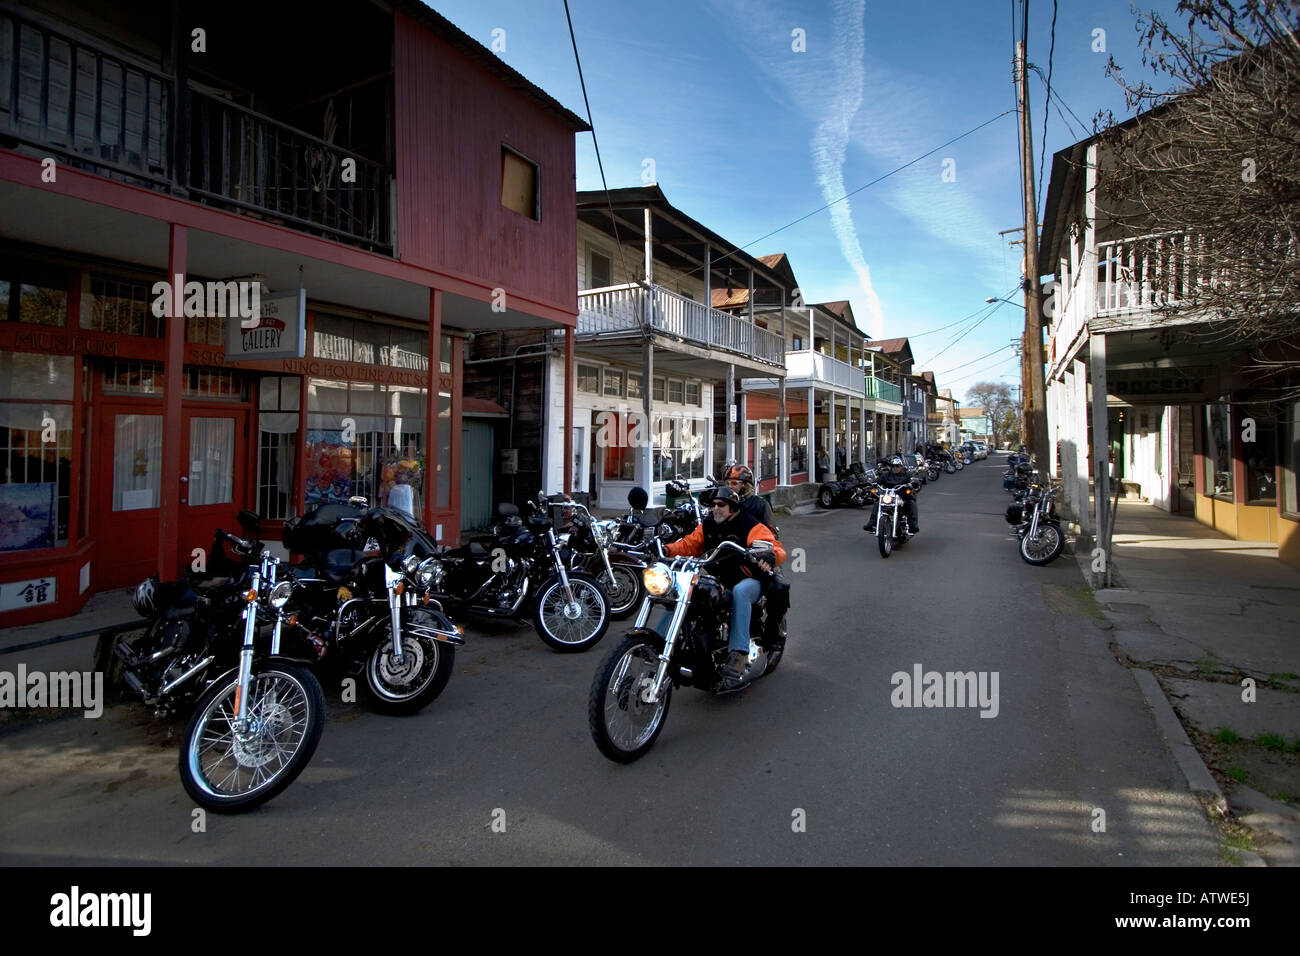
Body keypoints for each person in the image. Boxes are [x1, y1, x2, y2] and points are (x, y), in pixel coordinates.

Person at [665, 485, 787, 680]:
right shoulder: (709, 524)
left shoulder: (749, 524)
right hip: (721, 579)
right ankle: (663, 643)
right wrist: (667, 550)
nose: (716, 509)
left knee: (740, 591)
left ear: (733, 507)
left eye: (721, 505)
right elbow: (689, 543)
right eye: (713, 505)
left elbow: (776, 547)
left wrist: (769, 555)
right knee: (684, 590)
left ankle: (738, 653)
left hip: (751, 579)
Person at [864, 455, 919, 534]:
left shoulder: (906, 474)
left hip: (903, 497)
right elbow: (878, 481)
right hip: (890, 496)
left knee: (911, 503)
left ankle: (913, 525)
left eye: (897, 466)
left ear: (901, 466)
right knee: (877, 503)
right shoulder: (886, 475)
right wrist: (873, 483)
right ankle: (871, 523)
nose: (895, 468)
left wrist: (913, 483)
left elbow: (914, 481)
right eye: (893, 466)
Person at [723, 464, 777, 532]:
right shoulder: (722, 503)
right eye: (727, 483)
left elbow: (771, 532)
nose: (729, 486)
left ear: (745, 485)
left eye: (734, 483)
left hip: (752, 540)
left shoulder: (760, 504)